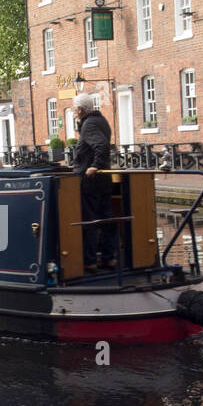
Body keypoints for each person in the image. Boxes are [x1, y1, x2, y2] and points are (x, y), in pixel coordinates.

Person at [72, 93, 117, 273]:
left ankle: (90, 261)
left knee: (89, 221)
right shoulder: (102, 121)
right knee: (106, 219)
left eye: (75, 110)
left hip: (91, 182)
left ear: (81, 110)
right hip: (103, 182)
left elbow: (101, 145)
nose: (74, 113)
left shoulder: (89, 124)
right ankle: (109, 257)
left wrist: (94, 166)